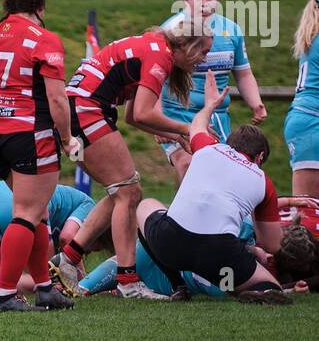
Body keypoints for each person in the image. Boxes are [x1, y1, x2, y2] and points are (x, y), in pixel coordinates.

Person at [51, 17, 212, 299]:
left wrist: (174, 136)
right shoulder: (160, 55)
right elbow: (142, 113)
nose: (204, 59)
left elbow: (132, 115)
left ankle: (67, 257)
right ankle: (128, 282)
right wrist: (187, 128)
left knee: (121, 191)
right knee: (128, 191)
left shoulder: (155, 47)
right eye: (203, 51)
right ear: (187, 45)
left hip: (80, 108)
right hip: (86, 109)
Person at [137, 71, 288, 305]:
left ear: (229, 144)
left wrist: (210, 106)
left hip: (171, 244)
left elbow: (197, 124)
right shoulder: (263, 180)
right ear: (259, 157)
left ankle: (178, 286)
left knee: (145, 205)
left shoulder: (209, 147)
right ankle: (257, 291)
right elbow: (273, 245)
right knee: (272, 286)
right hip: (219, 254)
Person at [0, 0, 76, 312]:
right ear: (41, 4)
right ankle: (4, 294)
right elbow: (58, 100)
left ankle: (44, 287)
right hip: (30, 132)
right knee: (27, 212)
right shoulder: (44, 39)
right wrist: (66, 138)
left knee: (38, 211)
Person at [158, 0, 267, 181]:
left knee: (225, 175)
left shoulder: (231, 30)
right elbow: (154, 78)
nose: (204, 3)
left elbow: (243, 74)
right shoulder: (170, 31)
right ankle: (184, 214)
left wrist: (256, 103)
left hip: (217, 117)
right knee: (189, 164)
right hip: (178, 113)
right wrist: (158, 122)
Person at [0, 181, 98, 296]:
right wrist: (81, 281)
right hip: (19, 203)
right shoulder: (90, 205)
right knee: (44, 280)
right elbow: (68, 238)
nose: (91, 251)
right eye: (96, 248)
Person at [283, 0, 319, 199]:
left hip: (308, 117)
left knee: (308, 205)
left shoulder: (317, 36)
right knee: (306, 206)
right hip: (314, 120)